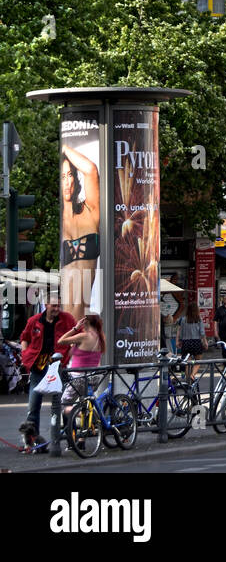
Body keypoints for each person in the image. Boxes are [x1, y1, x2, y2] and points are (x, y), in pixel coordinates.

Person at [17, 297, 75, 452]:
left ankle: (72, 441)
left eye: (59, 305)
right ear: (46, 304)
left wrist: (68, 354)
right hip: (38, 367)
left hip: (57, 367)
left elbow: (76, 335)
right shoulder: (34, 320)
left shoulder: (67, 319)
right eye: (54, 305)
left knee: (63, 404)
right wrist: (25, 355)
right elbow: (24, 338)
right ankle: (31, 443)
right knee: (33, 406)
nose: (57, 308)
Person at [59, 146, 102, 322]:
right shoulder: (59, 221)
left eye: (70, 175)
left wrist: (64, 148)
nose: (67, 182)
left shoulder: (90, 210)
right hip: (66, 318)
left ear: (76, 180)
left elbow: (91, 170)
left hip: (87, 317)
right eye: (62, 177)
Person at [57, 312, 105, 419]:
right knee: (84, 402)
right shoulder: (100, 338)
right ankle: (84, 429)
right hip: (94, 378)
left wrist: (75, 328)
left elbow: (60, 341)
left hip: (79, 378)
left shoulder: (83, 336)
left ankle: (85, 416)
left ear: (85, 323)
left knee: (62, 405)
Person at [178, 302, 207, 381]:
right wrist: (205, 342)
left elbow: (181, 332)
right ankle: (193, 375)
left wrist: (179, 341)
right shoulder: (198, 319)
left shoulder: (183, 320)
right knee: (198, 361)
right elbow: (202, 332)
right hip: (196, 342)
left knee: (187, 362)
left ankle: (188, 379)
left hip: (186, 343)